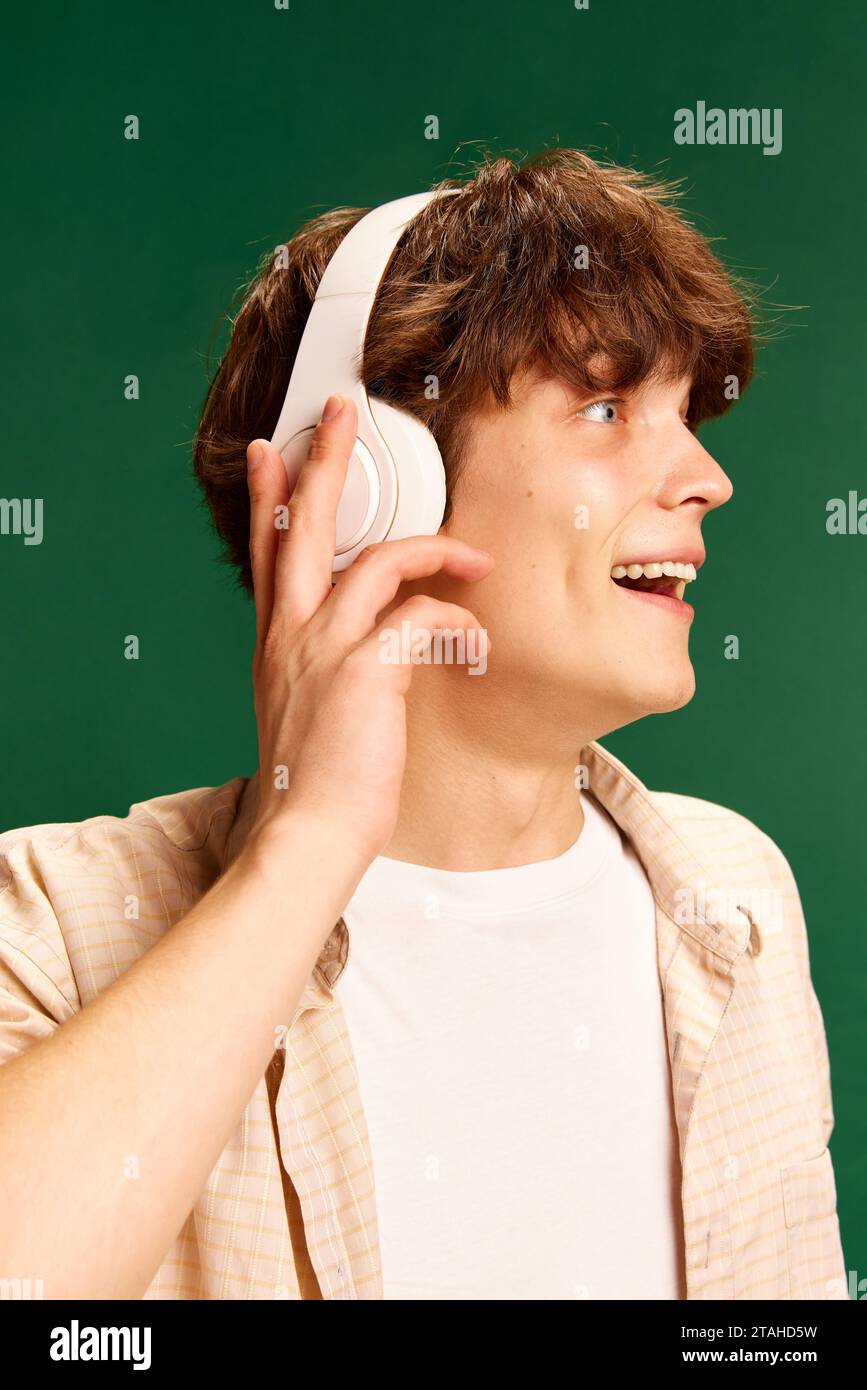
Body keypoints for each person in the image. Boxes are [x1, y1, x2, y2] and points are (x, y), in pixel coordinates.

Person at [0, 150, 847, 1300]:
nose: (707, 477)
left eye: (686, 416)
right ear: (373, 490)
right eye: (607, 406)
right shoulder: (56, 924)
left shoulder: (734, 900)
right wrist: (304, 849)